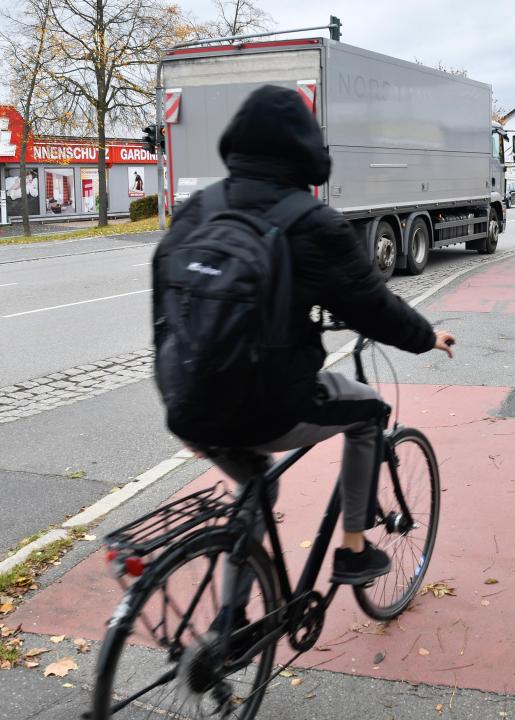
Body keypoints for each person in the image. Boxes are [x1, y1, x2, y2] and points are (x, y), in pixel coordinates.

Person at [153, 85, 456, 587]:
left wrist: (181, 393)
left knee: (256, 490)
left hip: (185, 401)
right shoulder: (312, 223)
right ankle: (355, 551)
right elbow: (372, 307)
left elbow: (165, 302)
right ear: (305, 148)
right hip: (266, 403)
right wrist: (426, 337)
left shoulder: (198, 208)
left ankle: (228, 631)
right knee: (369, 414)